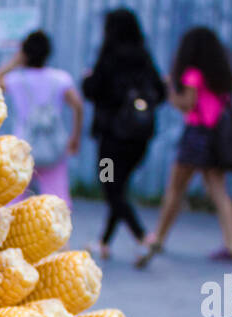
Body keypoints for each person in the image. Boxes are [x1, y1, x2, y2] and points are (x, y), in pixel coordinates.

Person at [136, 26, 232, 267]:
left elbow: (187, 104)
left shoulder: (192, 74)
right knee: (218, 190)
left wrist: (170, 92)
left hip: (196, 134)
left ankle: (159, 238)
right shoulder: (220, 75)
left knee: (175, 189)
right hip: (216, 136)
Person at [81, 8, 165, 260]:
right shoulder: (144, 57)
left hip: (111, 139)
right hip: (139, 139)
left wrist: (87, 79)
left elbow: (93, 90)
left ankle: (143, 236)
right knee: (119, 188)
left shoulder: (108, 57)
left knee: (109, 186)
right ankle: (104, 242)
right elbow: (160, 92)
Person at [0, 31, 84, 206]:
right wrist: (75, 136)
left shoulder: (16, 79)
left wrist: (13, 62)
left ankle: (13, 231)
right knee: (57, 198)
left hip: (23, 145)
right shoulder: (60, 78)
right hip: (54, 145)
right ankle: (56, 229)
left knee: (14, 197)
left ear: (24, 53)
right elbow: (78, 105)